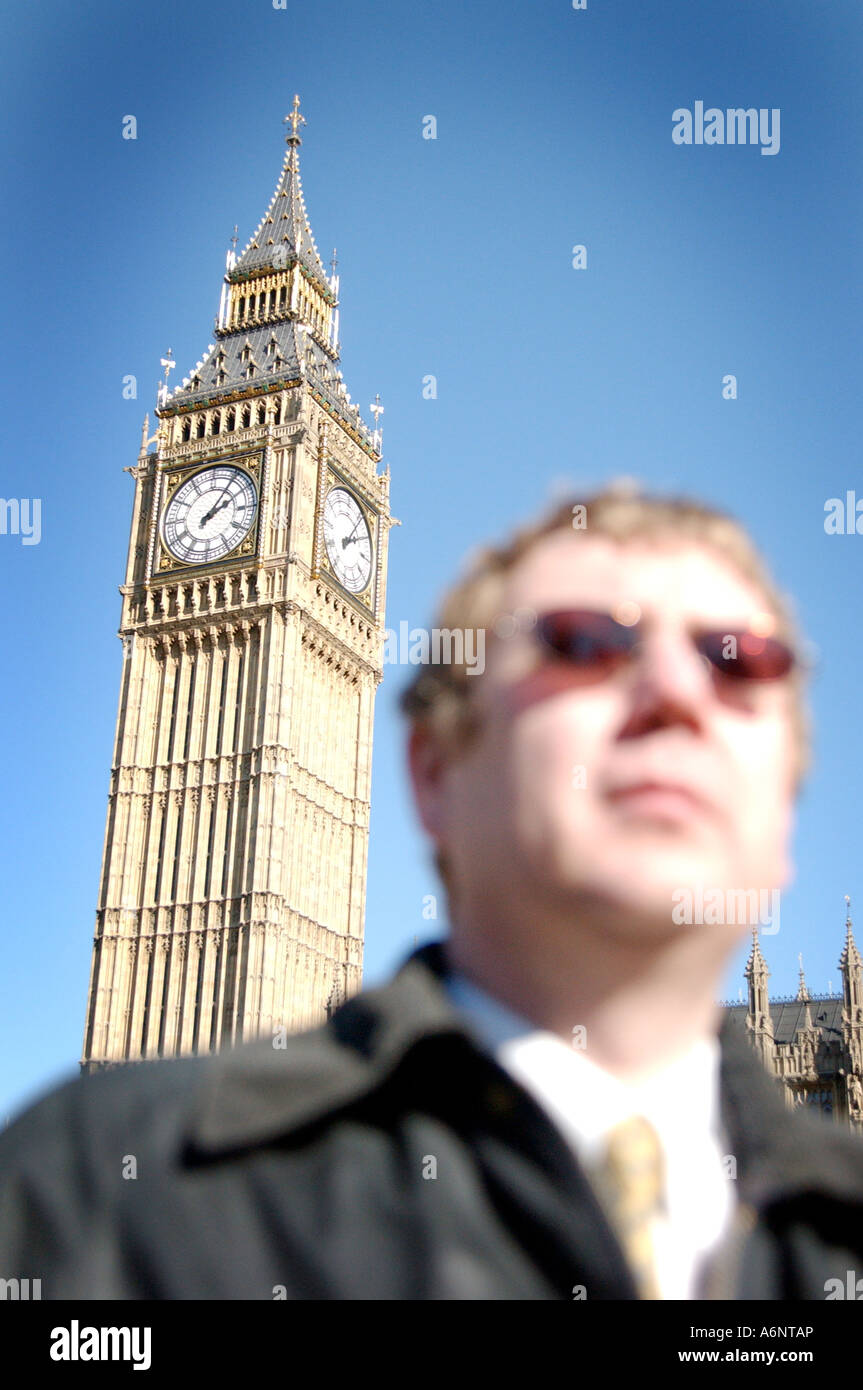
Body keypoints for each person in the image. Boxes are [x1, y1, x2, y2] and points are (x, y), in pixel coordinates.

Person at [2, 481, 863, 1300]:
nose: (674, 691)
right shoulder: (98, 1187)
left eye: (740, 661)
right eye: (583, 643)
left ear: (786, 796)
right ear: (434, 770)